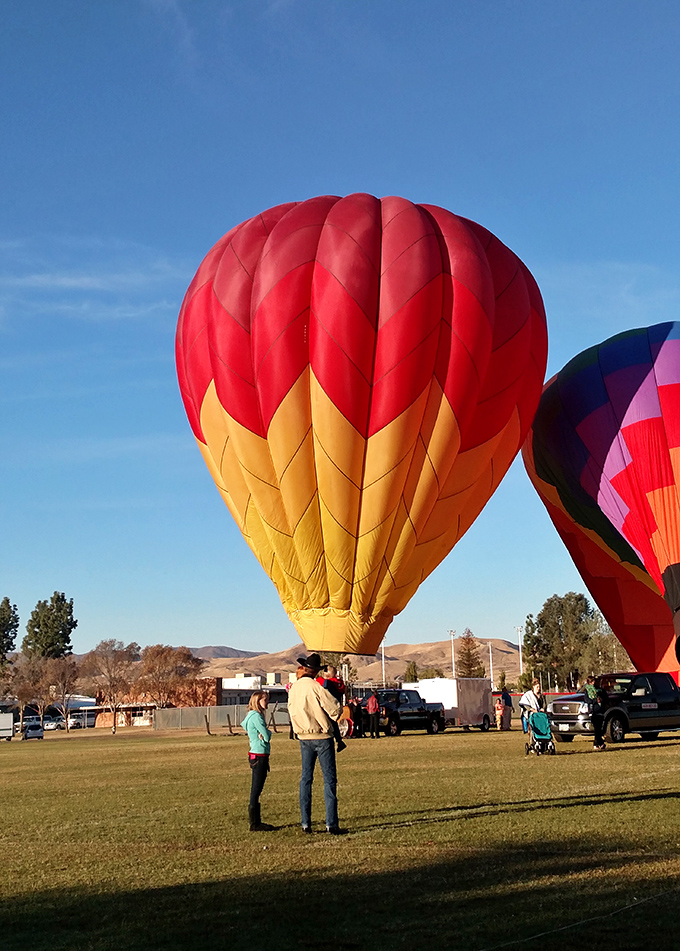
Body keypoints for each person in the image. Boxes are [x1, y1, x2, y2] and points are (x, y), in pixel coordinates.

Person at [287, 653, 344, 834]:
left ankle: (305, 823)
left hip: (303, 737)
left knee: (306, 779)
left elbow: (291, 710)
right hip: (322, 736)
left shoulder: (294, 688)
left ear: (304, 668)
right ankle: (331, 824)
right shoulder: (317, 687)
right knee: (329, 780)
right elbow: (335, 709)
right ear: (316, 671)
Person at [240, 690, 274, 832]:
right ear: (257, 701)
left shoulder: (251, 716)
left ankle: (256, 821)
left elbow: (245, 725)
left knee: (257, 788)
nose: (267, 702)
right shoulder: (257, 717)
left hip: (256, 754)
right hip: (259, 755)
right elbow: (267, 736)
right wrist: (267, 732)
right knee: (256, 789)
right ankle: (255, 823)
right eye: (264, 700)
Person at [317, 665, 347, 753]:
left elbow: (323, 684)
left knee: (328, 724)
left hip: (328, 705)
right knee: (334, 724)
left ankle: (338, 741)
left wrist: (318, 679)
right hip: (336, 706)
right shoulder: (339, 683)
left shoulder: (328, 683)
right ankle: (339, 740)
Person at [586, 675, 607, 751]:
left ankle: (599, 743)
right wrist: (595, 700)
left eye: (594, 681)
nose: (594, 683)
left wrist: (601, 699)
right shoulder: (587, 691)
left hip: (600, 711)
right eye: (592, 682)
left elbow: (606, 698)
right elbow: (587, 700)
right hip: (593, 712)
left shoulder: (601, 690)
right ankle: (598, 743)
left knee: (599, 728)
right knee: (596, 728)